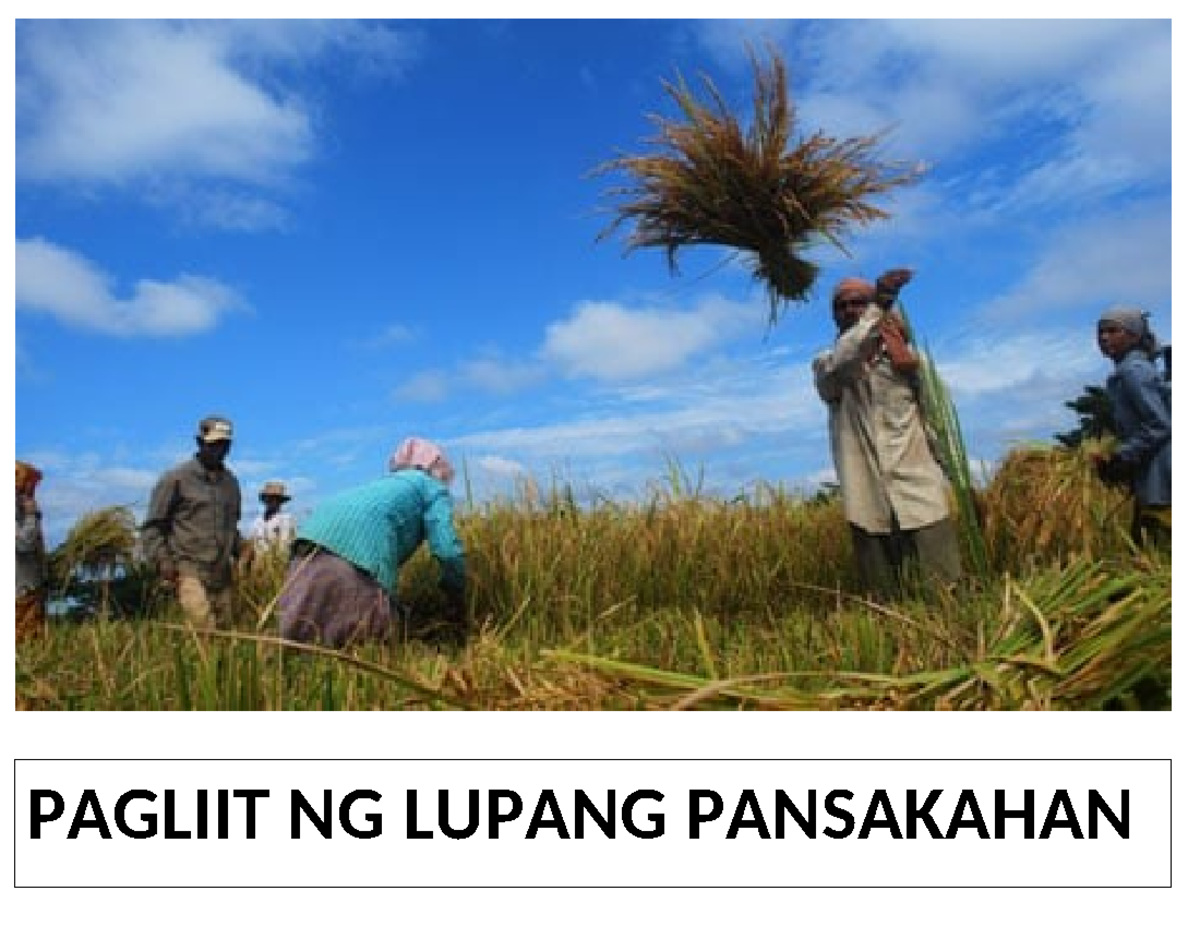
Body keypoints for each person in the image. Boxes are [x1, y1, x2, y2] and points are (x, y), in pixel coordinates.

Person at [812, 275, 962, 596]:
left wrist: (956, 477)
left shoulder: (909, 361)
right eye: (841, 305)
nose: (849, 310)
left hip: (918, 489)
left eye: (858, 303)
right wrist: (878, 306)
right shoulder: (827, 364)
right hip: (866, 495)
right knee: (883, 596)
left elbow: (938, 422)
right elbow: (846, 361)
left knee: (944, 589)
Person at [277, 437, 467, 648]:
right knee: (370, 642)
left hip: (306, 548)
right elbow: (447, 550)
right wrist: (458, 594)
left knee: (297, 641)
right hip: (356, 558)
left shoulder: (383, 485)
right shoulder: (431, 487)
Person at [141, 416, 243, 627]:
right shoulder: (176, 479)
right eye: (214, 444)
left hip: (222, 575)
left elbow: (231, 528)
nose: (219, 450)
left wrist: (243, 548)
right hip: (188, 569)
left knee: (226, 634)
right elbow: (153, 527)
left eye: (224, 444)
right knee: (203, 628)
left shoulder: (231, 484)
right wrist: (163, 561)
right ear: (199, 442)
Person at [1092, 306, 1171, 547]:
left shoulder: (1132, 372)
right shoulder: (1130, 371)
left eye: (1113, 331)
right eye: (1100, 332)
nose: (1104, 337)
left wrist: (1121, 457)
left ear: (1134, 336)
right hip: (1151, 472)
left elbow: (1159, 425)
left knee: (1153, 544)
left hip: (1161, 472)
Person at [16, 460, 48, 643]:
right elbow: (24, 543)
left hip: (30, 589)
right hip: (20, 593)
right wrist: (31, 514)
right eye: (31, 482)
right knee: (24, 644)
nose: (33, 488)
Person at [247, 480, 297, 553]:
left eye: (276, 498)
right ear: (265, 500)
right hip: (259, 558)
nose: (272, 501)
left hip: (279, 558)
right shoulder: (257, 522)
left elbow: (286, 545)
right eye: (269, 498)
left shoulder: (286, 520)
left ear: (280, 501)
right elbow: (252, 543)